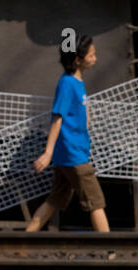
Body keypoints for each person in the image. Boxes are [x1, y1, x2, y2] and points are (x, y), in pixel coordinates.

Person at [27, 35, 108, 232]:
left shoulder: (77, 82)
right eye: (91, 55)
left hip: (71, 153)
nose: (95, 58)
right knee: (96, 203)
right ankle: (111, 251)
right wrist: (48, 153)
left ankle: (23, 243)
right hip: (74, 155)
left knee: (55, 200)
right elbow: (57, 118)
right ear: (78, 60)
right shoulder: (67, 84)